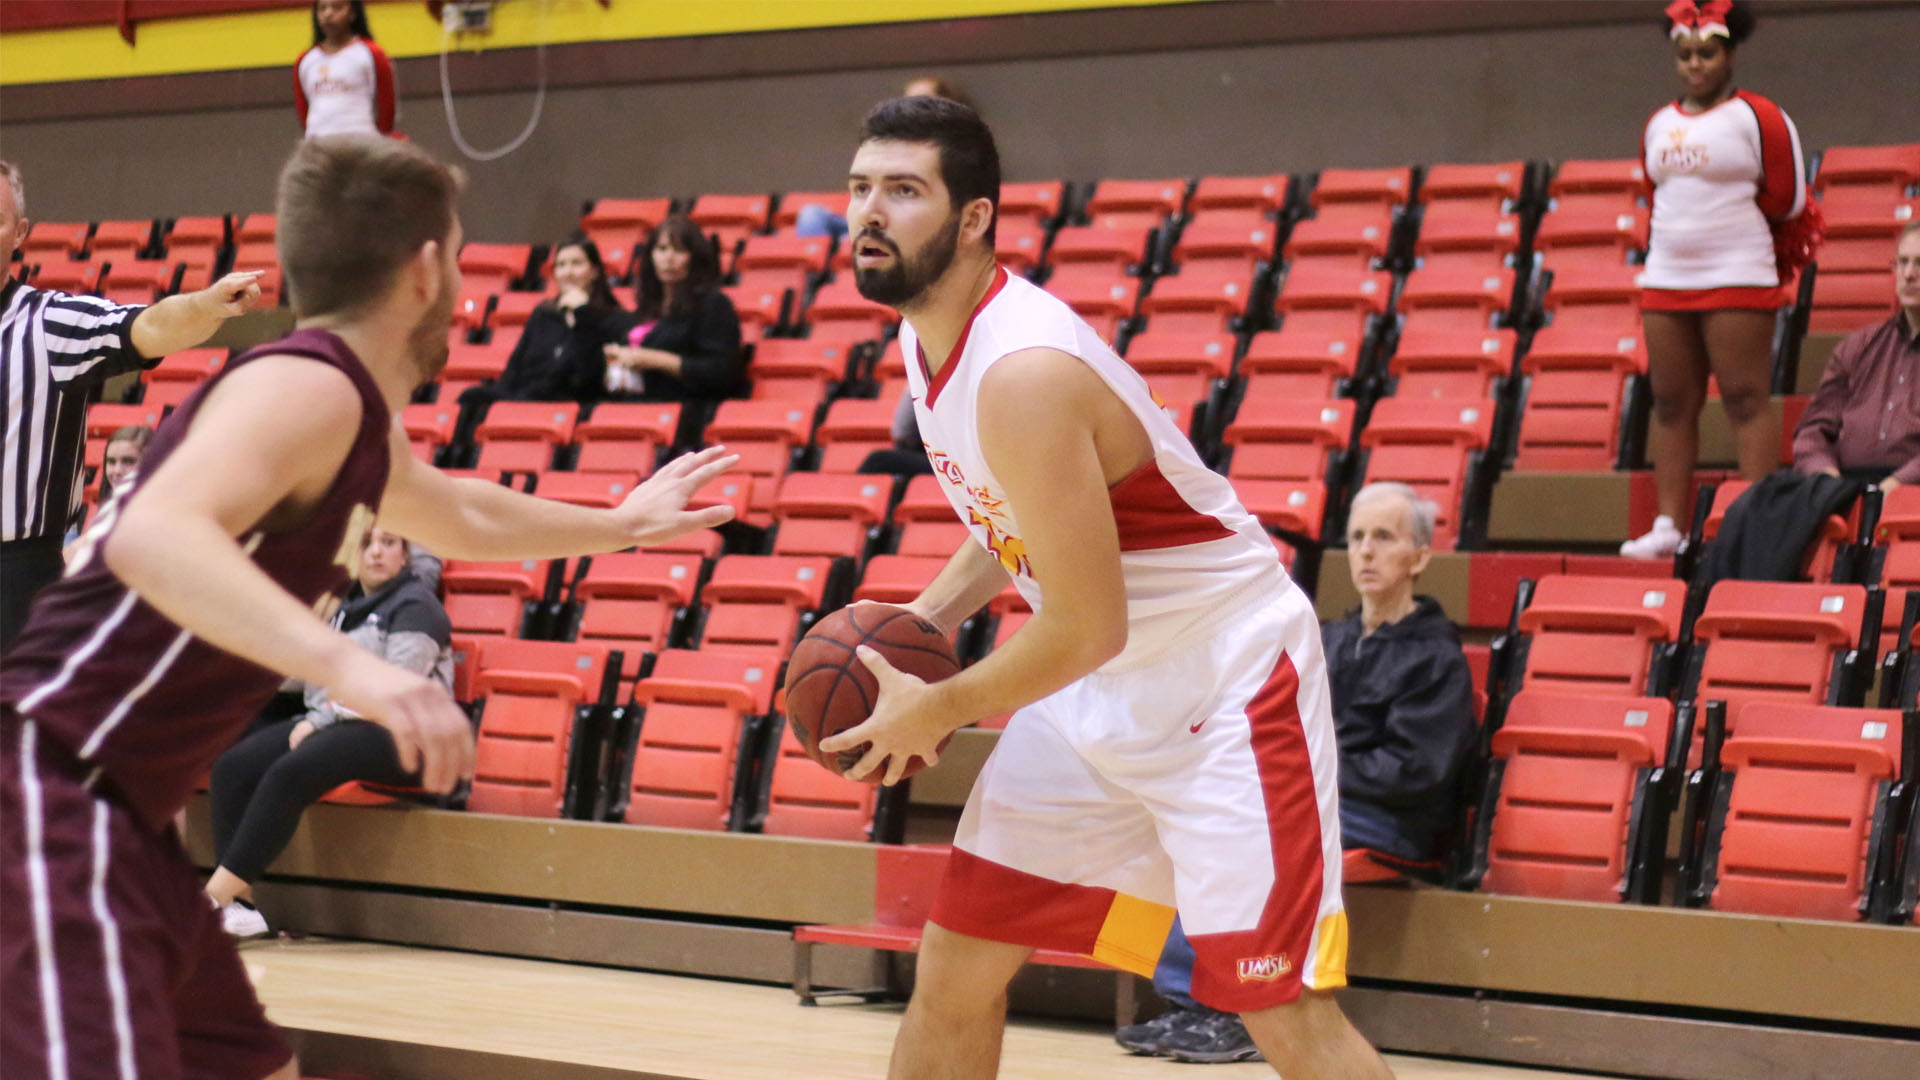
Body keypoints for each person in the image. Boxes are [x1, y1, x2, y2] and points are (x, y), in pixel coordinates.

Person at [0, 134, 737, 1080]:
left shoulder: (344, 412)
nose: (463, 286)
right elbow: (153, 535)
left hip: (115, 812)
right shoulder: (302, 387)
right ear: (425, 269)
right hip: (57, 793)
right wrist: (356, 670)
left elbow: (461, 512)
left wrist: (621, 524)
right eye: (459, 255)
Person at [815, 97, 1393, 1080]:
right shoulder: (928, 339)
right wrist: (923, 620)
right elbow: (1016, 521)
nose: (870, 211)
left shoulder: (1025, 372)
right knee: (954, 967)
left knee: (1282, 1014)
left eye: (903, 190)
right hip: (1098, 690)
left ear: (974, 219)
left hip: (1224, 684)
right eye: (861, 186)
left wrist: (939, 706)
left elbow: (1087, 626)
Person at [1118, 483, 1477, 1063]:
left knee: (1250, 832)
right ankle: (1194, 1003)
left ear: (1420, 557)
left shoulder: (1437, 657)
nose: (1366, 551)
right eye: (1356, 537)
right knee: (1200, 820)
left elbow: (1415, 773)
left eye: (1383, 537)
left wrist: (1311, 773)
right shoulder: (1328, 636)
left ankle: (1234, 1010)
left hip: (1390, 821)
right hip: (1316, 797)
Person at [0, 157, 266, 651]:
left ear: (20, 234)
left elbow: (148, 327)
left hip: (18, 578)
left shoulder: (50, 324)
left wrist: (205, 304)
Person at [1621, 0, 1811, 559]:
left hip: (1737, 273)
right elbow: (1655, 194)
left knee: (1745, 398)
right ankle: (1669, 526)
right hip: (1667, 276)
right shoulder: (1658, 123)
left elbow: (1788, 197)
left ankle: (1758, 524)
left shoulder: (1758, 115)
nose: (1695, 65)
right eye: (1685, 55)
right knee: (1669, 403)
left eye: (1706, 53)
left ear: (1729, 54)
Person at [206, 526, 451, 939]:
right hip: (337, 725)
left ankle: (213, 897)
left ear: (406, 554)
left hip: (410, 739)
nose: (376, 552)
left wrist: (320, 721)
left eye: (388, 543)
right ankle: (240, 907)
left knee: (294, 768)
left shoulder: (417, 606)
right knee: (233, 768)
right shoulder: (340, 605)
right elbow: (306, 675)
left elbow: (394, 692)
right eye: (367, 543)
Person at [1792, 221, 1920, 488]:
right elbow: (1812, 431)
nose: (1909, 274)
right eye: (1903, 262)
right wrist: (1827, 480)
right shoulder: (1859, 346)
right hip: (1845, 488)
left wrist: (1895, 486)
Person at [795, 76, 976, 243]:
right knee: (812, 215)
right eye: (907, 101)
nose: (910, 108)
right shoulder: (889, 141)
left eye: (921, 101)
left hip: (910, 224)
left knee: (852, 242)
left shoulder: (958, 148)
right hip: (876, 222)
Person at [603, 215, 745, 402]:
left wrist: (653, 359)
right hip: (635, 405)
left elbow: (721, 372)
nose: (668, 258)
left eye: (679, 250)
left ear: (695, 257)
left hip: (686, 408)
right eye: (662, 249)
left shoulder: (713, 304)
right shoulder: (647, 308)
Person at [474, 236, 626, 405]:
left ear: (595, 271)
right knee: (473, 396)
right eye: (561, 265)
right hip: (526, 397)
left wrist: (582, 312)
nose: (568, 272)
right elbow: (515, 368)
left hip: (569, 403)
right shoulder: (544, 314)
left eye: (576, 263)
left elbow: (589, 375)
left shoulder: (611, 317)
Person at [295, 0, 396, 139]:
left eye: (337, 8)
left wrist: (379, 139)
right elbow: (303, 109)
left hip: (361, 141)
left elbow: (386, 105)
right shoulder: (306, 60)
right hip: (318, 143)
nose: (328, 14)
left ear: (352, 13)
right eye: (322, 9)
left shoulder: (371, 53)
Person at [63, 425, 154, 558]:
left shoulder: (155, 514)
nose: (117, 470)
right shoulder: (108, 510)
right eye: (111, 462)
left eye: (128, 461)